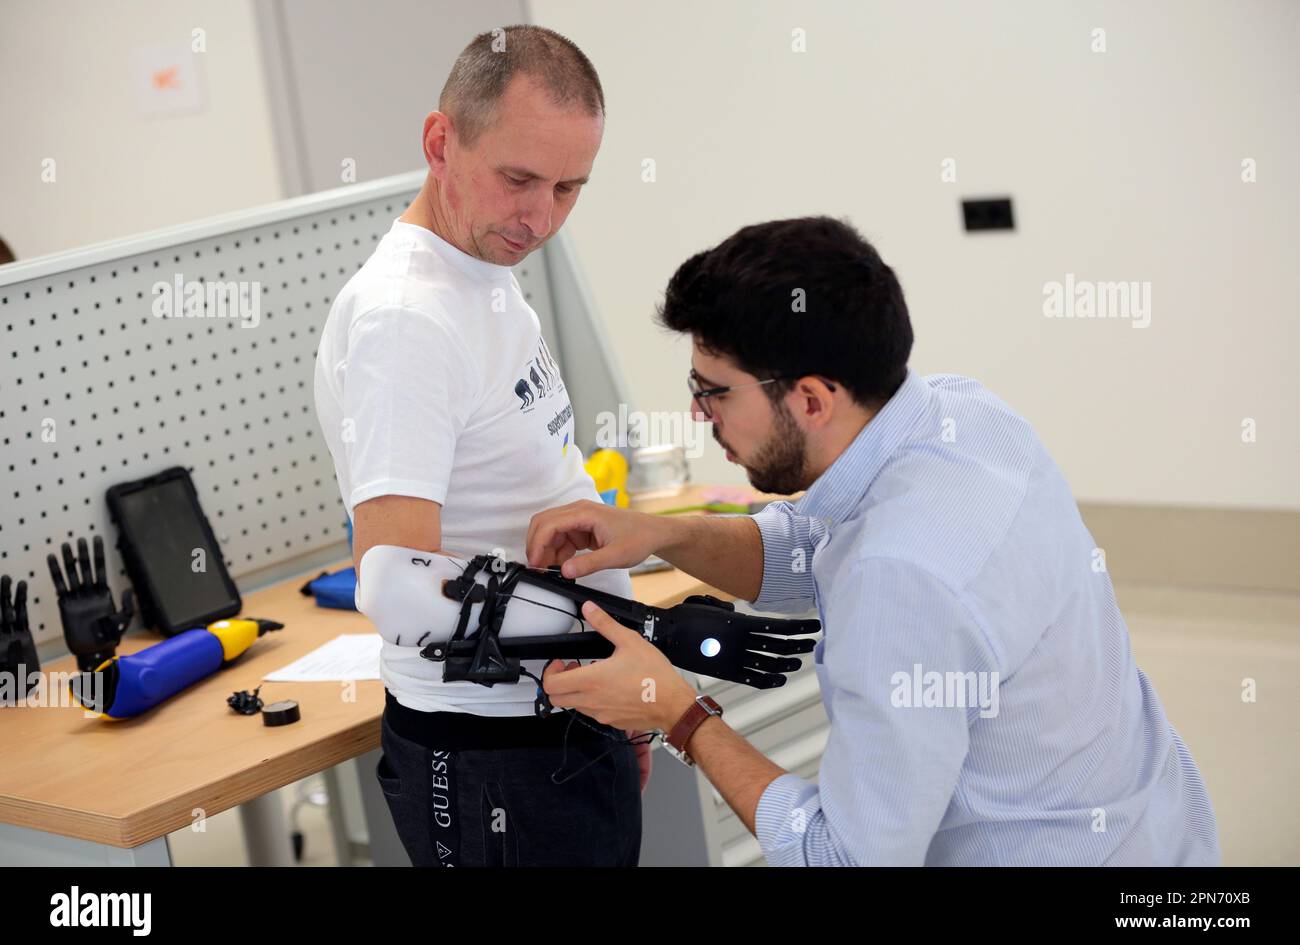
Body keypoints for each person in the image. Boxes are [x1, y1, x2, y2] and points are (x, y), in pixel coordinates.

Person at [527, 215, 1221, 866]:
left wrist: (677, 713)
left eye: (713, 393)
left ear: (811, 400)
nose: (697, 414)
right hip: (1152, 826)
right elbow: (818, 544)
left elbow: (846, 857)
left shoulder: (899, 582)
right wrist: (660, 534)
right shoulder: (963, 414)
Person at [314, 26, 643, 867]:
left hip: (562, 719)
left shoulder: (483, 277)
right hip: (491, 752)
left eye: (570, 187)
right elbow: (397, 581)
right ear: (440, 143)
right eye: (518, 179)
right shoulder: (406, 319)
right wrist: (627, 635)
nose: (541, 216)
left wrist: (614, 670)